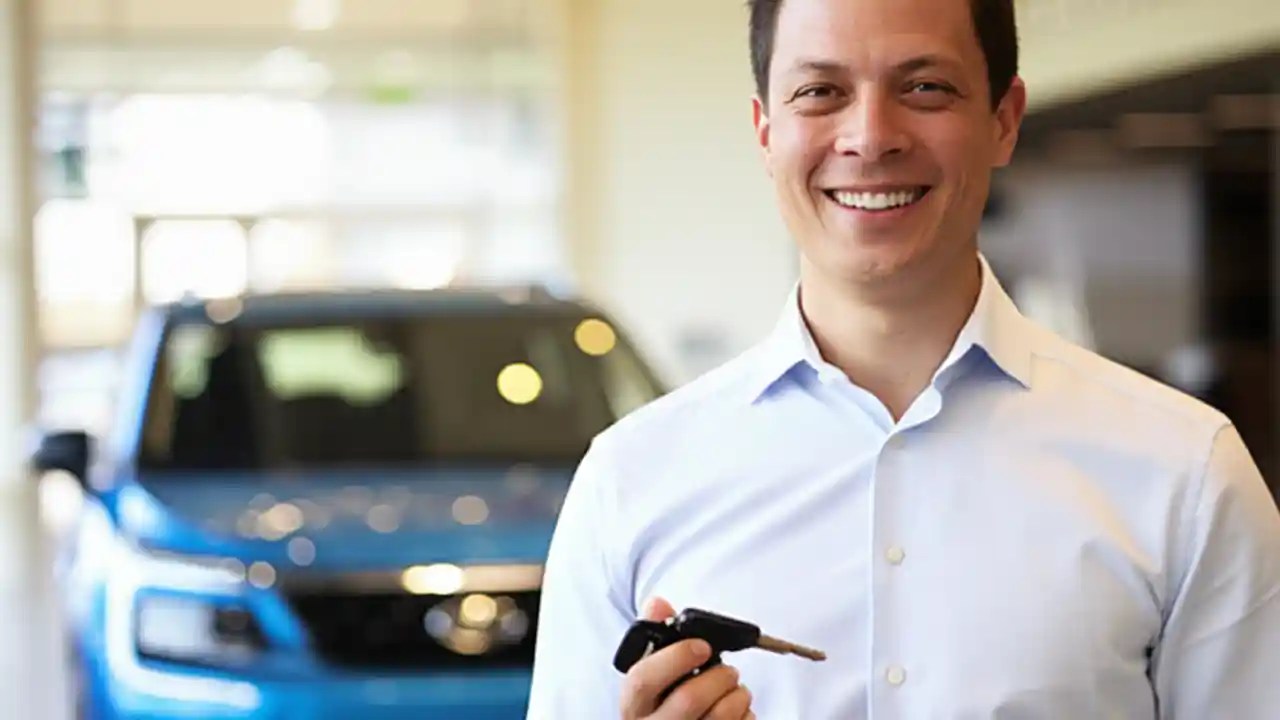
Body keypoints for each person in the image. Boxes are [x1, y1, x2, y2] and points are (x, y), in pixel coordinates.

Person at [526, 0, 1280, 717]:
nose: (870, 137)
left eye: (924, 88)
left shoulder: (1185, 474)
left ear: (1004, 120)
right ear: (765, 131)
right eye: (820, 92)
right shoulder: (630, 483)